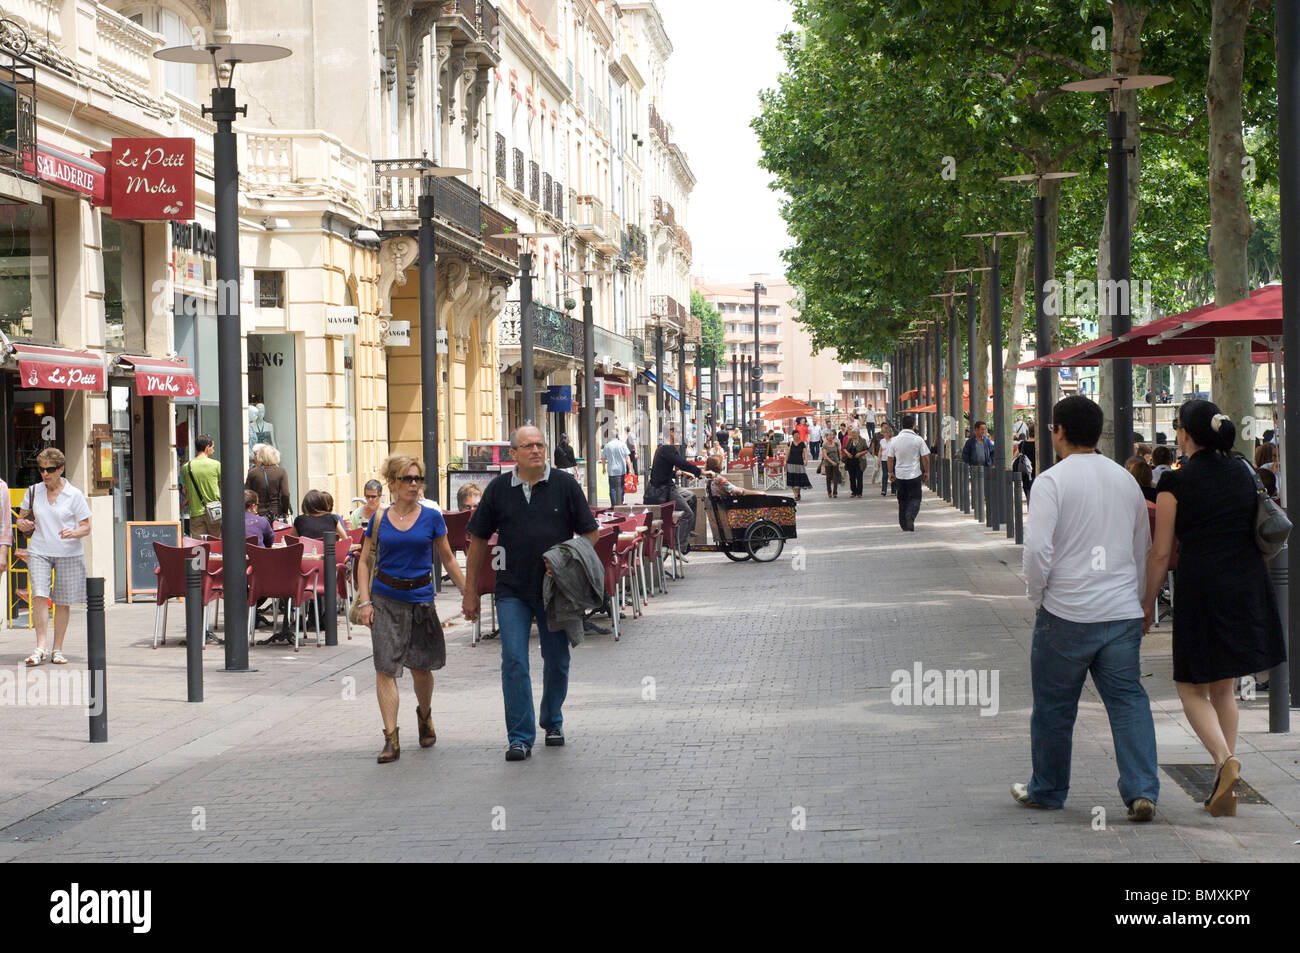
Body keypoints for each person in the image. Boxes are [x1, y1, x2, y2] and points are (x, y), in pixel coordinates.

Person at [1014, 395, 1159, 822]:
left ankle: (1049, 789)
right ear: (1097, 432)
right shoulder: (1125, 480)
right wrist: (1137, 601)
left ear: (1057, 430)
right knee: (1128, 702)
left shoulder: (1052, 482)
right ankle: (1141, 791)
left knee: (1055, 709)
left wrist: (1038, 597)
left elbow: (1037, 549)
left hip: (1066, 614)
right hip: (1120, 614)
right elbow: (1141, 548)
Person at [1141, 400, 1286, 817]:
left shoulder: (1174, 483)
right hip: (1245, 586)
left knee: (1190, 686)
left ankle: (1225, 763)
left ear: (1185, 433)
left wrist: (1148, 604)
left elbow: (1160, 553)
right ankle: (1227, 788)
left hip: (1202, 588)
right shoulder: (1243, 471)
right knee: (1223, 688)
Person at [463, 426, 600, 761]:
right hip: (511, 589)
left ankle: (552, 720)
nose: (536, 450)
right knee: (513, 660)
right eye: (528, 446)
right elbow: (478, 541)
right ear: (514, 454)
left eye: (540, 444)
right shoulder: (498, 490)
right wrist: (469, 592)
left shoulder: (565, 485)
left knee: (557, 660)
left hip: (555, 591)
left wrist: (565, 560)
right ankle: (520, 737)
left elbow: (590, 534)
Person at [355, 454, 467, 764]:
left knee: (421, 667)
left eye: (418, 479)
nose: (414, 484)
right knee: (385, 668)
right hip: (384, 599)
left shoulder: (432, 517)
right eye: (408, 479)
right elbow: (364, 561)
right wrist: (365, 602)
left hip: (420, 600)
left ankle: (425, 714)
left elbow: (447, 558)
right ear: (392, 483)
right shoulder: (379, 518)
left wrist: (467, 592)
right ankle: (391, 737)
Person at [17, 449, 91, 667]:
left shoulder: (74, 494)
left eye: (50, 469)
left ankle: (57, 649)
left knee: (62, 601)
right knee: (39, 595)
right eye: (41, 469)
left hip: (68, 552)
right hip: (39, 549)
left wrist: (74, 532)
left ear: (61, 469)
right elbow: (21, 520)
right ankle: (40, 647)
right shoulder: (33, 492)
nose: (45, 474)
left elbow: (86, 526)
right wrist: (23, 524)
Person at [645, 431, 704, 553]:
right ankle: (679, 547)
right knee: (688, 515)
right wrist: (700, 472)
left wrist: (680, 473)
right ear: (670, 434)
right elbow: (681, 463)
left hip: (667, 485)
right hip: (665, 489)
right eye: (677, 433)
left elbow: (661, 472)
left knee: (692, 497)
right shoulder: (668, 448)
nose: (680, 436)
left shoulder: (662, 449)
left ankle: (687, 530)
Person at [888, 414, 929, 532]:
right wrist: (927, 471)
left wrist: (890, 472)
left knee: (902, 499)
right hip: (914, 474)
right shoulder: (918, 439)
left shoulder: (894, 440)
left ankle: (904, 524)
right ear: (913, 425)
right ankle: (910, 516)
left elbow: (890, 458)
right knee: (916, 497)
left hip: (900, 475)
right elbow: (925, 457)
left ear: (902, 425)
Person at [182, 434, 222, 538]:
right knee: (217, 545)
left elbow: (186, 489)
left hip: (196, 512)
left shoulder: (187, 467)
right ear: (207, 447)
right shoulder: (216, 464)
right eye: (213, 447)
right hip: (214, 511)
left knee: (199, 547)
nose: (213, 450)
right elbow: (222, 485)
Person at [245, 443, 292, 523]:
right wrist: (285, 511)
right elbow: (286, 494)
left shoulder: (253, 473)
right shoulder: (281, 471)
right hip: (276, 513)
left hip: (258, 513)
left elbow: (246, 494)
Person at [601, 428, 631, 505]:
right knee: (621, 487)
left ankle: (614, 505)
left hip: (612, 470)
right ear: (617, 435)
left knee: (612, 488)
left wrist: (603, 468)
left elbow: (603, 458)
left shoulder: (607, 446)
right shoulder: (622, 444)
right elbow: (627, 457)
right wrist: (630, 469)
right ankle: (620, 501)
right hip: (621, 470)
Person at [843, 427, 870, 498]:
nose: (853, 435)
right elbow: (845, 448)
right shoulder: (850, 440)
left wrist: (860, 453)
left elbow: (867, 450)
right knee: (852, 477)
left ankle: (859, 492)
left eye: (854, 433)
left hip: (860, 461)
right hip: (850, 461)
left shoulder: (863, 440)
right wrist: (847, 453)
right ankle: (853, 492)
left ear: (858, 433)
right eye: (852, 433)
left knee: (859, 477)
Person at [785, 432, 811, 500]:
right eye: (795, 435)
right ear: (793, 436)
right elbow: (787, 453)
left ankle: (798, 492)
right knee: (792, 479)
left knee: (799, 478)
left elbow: (805, 452)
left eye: (798, 435)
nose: (797, 436)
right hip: (791, 463)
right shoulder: (790, 443)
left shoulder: (802, 443)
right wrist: (785, 462)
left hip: (799, 463)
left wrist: (805, 460)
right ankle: (795, 495)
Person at [819, 431, 842, 497]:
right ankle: (829, 491)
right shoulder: (824, 445)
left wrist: (840, 460)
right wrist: (832, 462)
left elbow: (839, 452)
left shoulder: (836, 444)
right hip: (828, 463)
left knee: (835, 478)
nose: (831, 437)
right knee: (828, 478)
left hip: (836, 462)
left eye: (832, 435)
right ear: (826, 437)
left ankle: (835, 492)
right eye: (829, 435)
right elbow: (825, 456)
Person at [875, 426, 893, 496]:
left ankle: (893, 490)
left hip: (891, 459)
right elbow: (880, 451)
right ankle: (883, 490)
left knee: (892, 474)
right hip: (884, 459)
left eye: (885, 433)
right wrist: (879, 459)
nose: (883, 434)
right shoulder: (882, 441)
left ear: (888, 433)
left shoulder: (893, 440)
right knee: (885, 475)